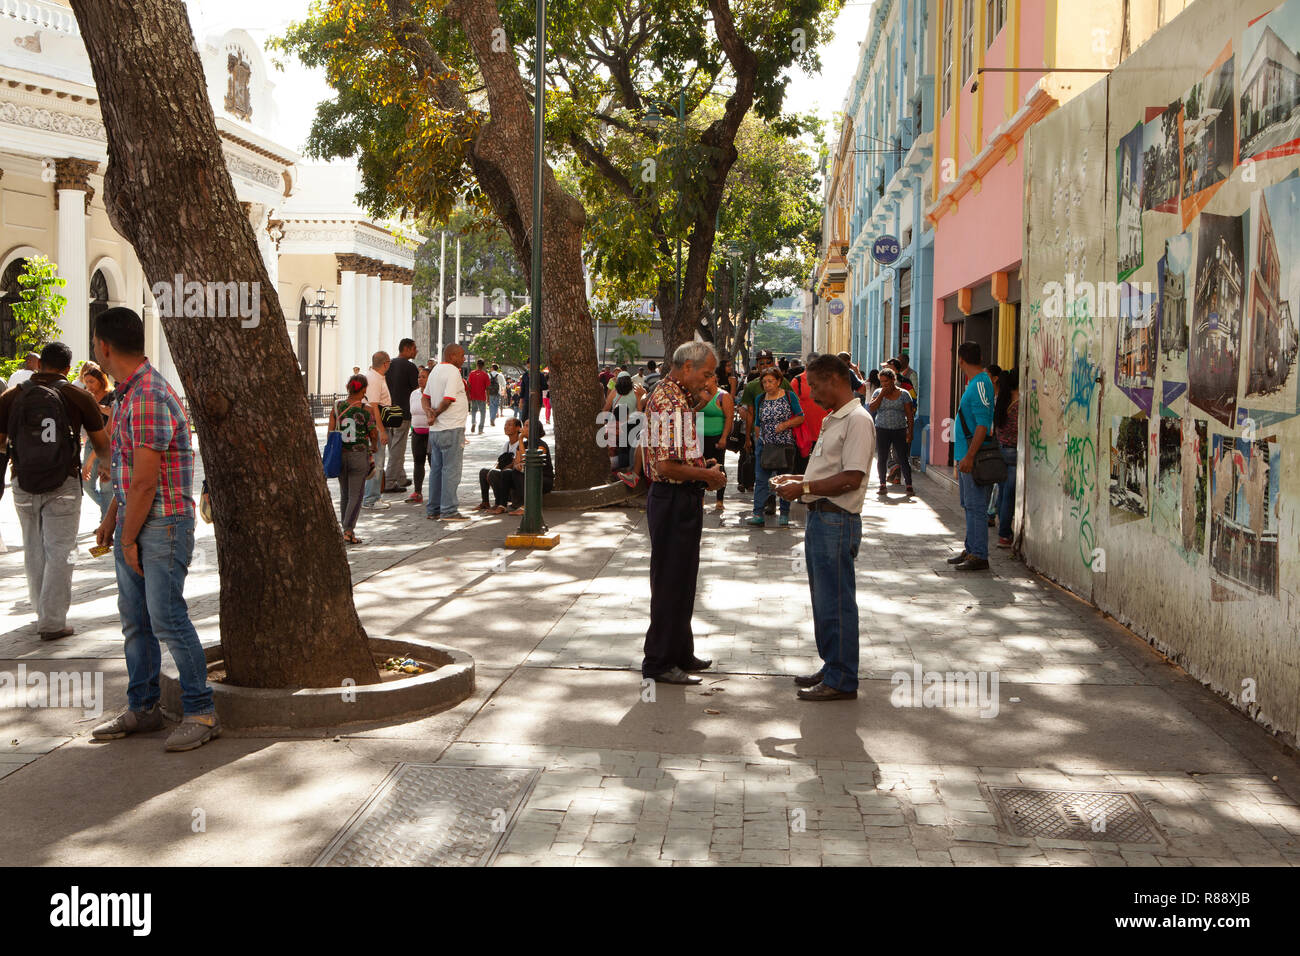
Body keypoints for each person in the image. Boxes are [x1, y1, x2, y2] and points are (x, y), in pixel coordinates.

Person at [88, 307, 218, 751]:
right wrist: (112, 520)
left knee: (166, 618)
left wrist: (126, 535)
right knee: (136, 620)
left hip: (161, 525)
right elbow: (128, 474)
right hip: (138, 520)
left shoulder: (145, 395)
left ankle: (201, 710)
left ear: (104, 346)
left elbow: (145, 480)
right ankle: (143, 709)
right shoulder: (130, 392)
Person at [773, 354, 876, 701]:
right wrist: (799, 479)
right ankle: (833, 664)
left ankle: (842, 677)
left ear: (834, 379)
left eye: (814, 386)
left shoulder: (858, 421)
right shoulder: (836, 418)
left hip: (837, 519)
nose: (811, 394)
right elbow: (828, 472)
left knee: (837, 601)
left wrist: (803, 489)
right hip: (821, 516)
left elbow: (851, 478)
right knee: (823, 599)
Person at [0, 342, 111, 640]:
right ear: (66, 368)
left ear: (40, 365)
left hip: (22, 483)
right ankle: (52, 621)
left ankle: (40, 611)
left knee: (33, 548)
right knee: (61, 550)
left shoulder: (12, 396)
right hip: (64, 482)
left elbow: (1, 443)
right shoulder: (78, 396)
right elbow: (101, 442)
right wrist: (106, 467)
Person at [641, 342, 726, 687]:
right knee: (670, 582)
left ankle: (679, 651)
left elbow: (679, 452)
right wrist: (707, 476)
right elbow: (665, 465)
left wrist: (699, 466)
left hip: (679, 497)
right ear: (686, 368)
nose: (708, 383)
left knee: (683, 580)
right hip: (672, 497)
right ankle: (660, 661)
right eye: (705, 375)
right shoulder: (669, 401)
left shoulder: (674, 395)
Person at [949, 341, 996, 571]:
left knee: (976, 505)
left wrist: (969, 456)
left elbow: (983, 424)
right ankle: (971, 548)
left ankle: (979, 554)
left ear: (961, 360)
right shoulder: (976, 383)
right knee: (969, 504)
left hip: (974, 457)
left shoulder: (980, 384)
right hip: (966, 455)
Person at [747, 368, 803, 527]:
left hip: (784, 445)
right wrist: (758, 440)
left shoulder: (789, 396)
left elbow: (800, 417)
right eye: (764, 382)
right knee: (761, 480)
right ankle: (758, 513)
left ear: (778, 381)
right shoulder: (760, 399)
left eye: (770, 381)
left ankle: (784, 514)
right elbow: (758, 422)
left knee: (784, 479)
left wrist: (785, 424)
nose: (767, 385)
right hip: (765, 446)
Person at [329, 374, 379, 544]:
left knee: (345, 493)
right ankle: (348, 530)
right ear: (364, 389)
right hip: (358, 455)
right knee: (356, 495)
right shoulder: (366, 410)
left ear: (348, 387)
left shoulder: (337, 406)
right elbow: (373, 432)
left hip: (340, 455)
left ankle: (345, 528)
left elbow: (330, 432)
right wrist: (374, 445)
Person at [423, 343, 469, 520]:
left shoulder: (434, 371)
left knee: (437, 470)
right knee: (451, 470)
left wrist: (429, 413)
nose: (464, 359)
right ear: (452, 356)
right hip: (451, 427)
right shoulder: (452, 372)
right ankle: (449, 509)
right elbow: (448, 399)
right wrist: (434, 413)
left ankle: (434, 509)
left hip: (436, 431)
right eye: (461, 355)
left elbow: (425, 397)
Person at [869, 367, 915, 497]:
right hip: (882, 429)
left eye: (887, 381)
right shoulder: (878, 393)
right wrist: (882, 394)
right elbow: (872, 408)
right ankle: (882, 484)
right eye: (882, 382)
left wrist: (910, 432)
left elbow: (909, 415)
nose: (884, 384)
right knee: (882, 458)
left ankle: (909, 485)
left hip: (899, 430)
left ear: (893, 380)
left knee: (903, 457)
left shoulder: (904, 394)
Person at [78, 361, 115, 519]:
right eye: (86, 382)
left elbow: (112, 414)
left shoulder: (112, 395)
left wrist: (96, 405)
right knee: (86, 484)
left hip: (108, 443)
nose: (89, 385)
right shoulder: (86, 395)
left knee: (106, 486)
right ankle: (110, 511)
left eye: (91, 381)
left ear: (101, 380)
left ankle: (105, 519)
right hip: (91, 443)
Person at [384, 338, 419, 492]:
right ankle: (390, 482)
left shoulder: (389, 365)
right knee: (397, 449)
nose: (416, 351)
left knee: (394, 447)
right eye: (414, 348)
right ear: (406, 349)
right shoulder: (410, 367)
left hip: (388, 411)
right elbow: (416, 389)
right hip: (403, 412)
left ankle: (401, 477)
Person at [697, 367, 733, 512]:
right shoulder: (700, 395)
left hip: (717, 437)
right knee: (700, 467)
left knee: (719, 466)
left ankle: (719, 500)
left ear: (715, 378)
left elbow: (729, 418)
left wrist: (724, 437)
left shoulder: (723, 396)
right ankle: (701, 497)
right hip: (699, 437)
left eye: (708, 378)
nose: (705, 382)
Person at [503, 418, 554, 514]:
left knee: (522, 475)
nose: (523, 428)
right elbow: (518, 462)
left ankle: (527, 506)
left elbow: (528, 462)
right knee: (509, 473)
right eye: (524, 425)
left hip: (543, 479)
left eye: (527, 426)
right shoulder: (523, 444)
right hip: (526, 475)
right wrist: (517, 465)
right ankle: (502, 504)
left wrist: (520, 439)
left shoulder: (541, 445)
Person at [361, 352, 391, 510]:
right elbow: (374, 407)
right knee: (377, 462)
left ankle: (372, 496)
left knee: (377, 461)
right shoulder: (374, 379)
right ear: (385, 364)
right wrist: (381, 430)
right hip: (375, 426)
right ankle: (371, 498)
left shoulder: (376, 377)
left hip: (376, 425)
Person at [994, 368, 1020, 549]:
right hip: (1013, 452)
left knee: (1003, 492)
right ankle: (1004, 534)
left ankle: (1001, 527)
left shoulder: (1001, 401)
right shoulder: (1019, 405)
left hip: (1001, 450)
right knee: (1008, 496)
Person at [791, 355, 828, 476]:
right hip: (803, 433)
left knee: (821, 467)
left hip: (823, 432)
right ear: (806, 366)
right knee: (802, 467)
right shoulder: (798, 381)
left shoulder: (827, 381)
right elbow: (791, 406)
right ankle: (801, 492)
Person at [478, 416, 522, 512]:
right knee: (484, 472)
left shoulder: (521, 443)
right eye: (505, 425)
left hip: (512, 474)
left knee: (495, 473)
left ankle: (499, 503)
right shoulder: (506, 444)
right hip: (503, 471)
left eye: (509, 425)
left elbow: (514, 463)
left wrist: (497, 471)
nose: (506, 427)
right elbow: (499, 461)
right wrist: (492, 470)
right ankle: (485, 502)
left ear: (518, 428)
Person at [603, 370, 643, 475]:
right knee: (630, 449)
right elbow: (639, 411)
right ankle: (629, 468)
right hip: (632, 426)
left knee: (618, 449)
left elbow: (606, 409)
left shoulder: (615, 391)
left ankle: (616, 468)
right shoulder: (635, 392)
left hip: (616, 426)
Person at [407, 366, 430, 505]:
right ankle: (417, 492)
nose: (420, 379)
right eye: (419, 377)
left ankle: (436, 492)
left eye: (424, 377)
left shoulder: (434, 393)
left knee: (434, 463)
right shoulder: (414, 394)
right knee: (418, 462)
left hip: (431, 433)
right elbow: (412, 413)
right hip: (416, 432)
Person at [467, 359, 491, 434]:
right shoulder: (485, 375)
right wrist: (488, 399)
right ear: (483, 366)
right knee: (482, 412)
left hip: (473, 395)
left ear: (477, 365)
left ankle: (473, 422)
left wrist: (468, 395)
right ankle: (480, 429)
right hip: (482, 396)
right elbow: (487, 388)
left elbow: (468, 385)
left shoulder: (472, 373)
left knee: (473, 410)